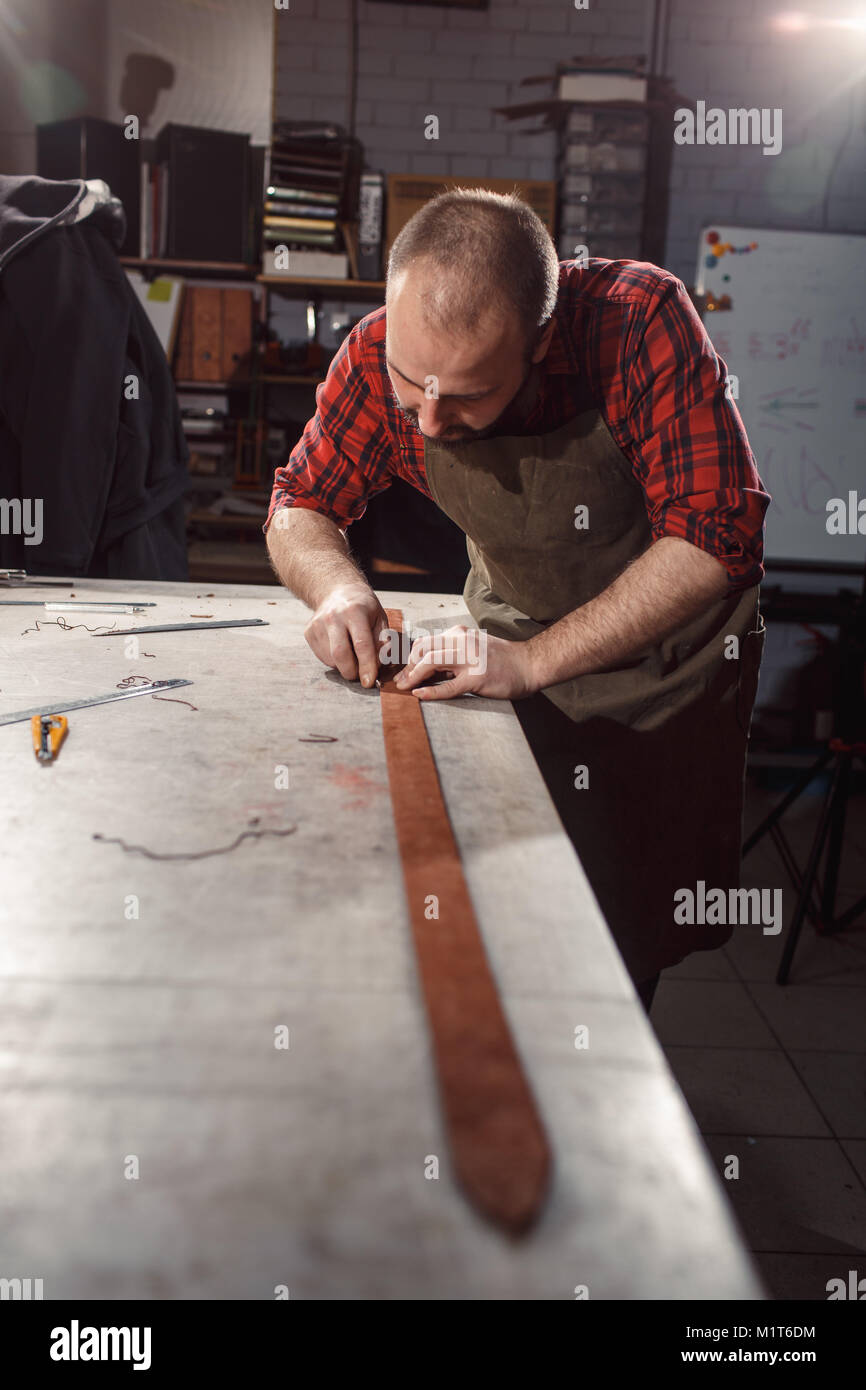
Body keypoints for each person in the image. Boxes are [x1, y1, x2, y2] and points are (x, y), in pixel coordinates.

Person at [264, 189, 770, 1012]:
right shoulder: (373, 355)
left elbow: (721, 535)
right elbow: (300, 503)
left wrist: (537, 661)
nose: (428, 422)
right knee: (498, 903)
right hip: (505, 645)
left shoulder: (638, 320)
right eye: (411, 386)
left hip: (663, 670)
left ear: (538, 344)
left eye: (465, 397)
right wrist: (337, 588)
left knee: (616, 937)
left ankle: (600, 1105)